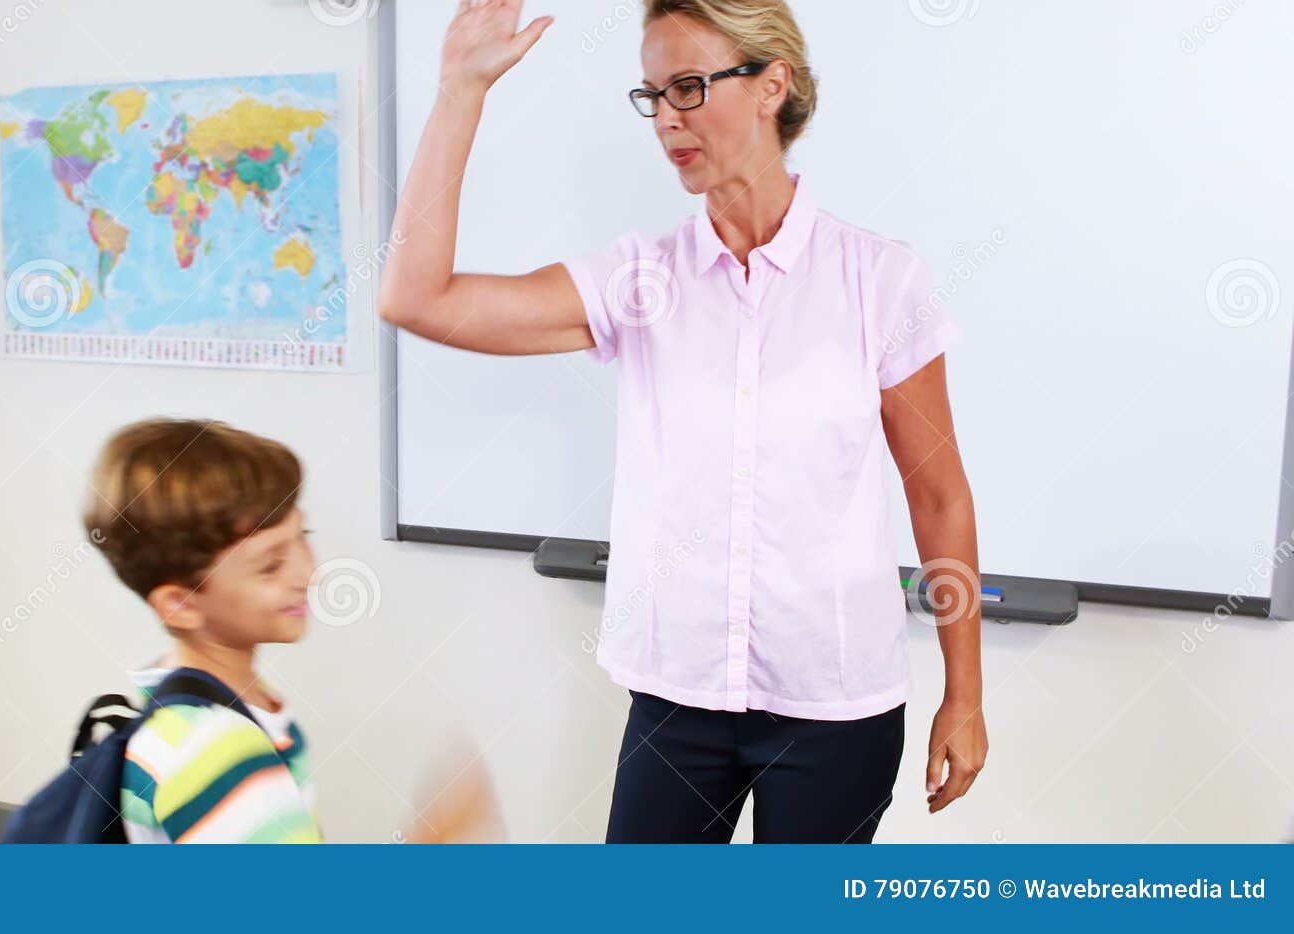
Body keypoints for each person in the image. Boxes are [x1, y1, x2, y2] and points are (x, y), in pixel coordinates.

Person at [378, 0, 987, 843]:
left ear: (773, 85)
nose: (666, 119)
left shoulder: (879, 280)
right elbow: (415, 298)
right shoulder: (639, 280)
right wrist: (460, 92)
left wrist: (966, 694)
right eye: (653, 95)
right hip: (678, 700)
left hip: (836, 702)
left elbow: (940, 499)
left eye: (690, 88)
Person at [84, 417, 498, 843]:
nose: (310, 573)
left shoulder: (191, 704)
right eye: (270, 565)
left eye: (302, 537)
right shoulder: (217, 755)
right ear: (181, 604)